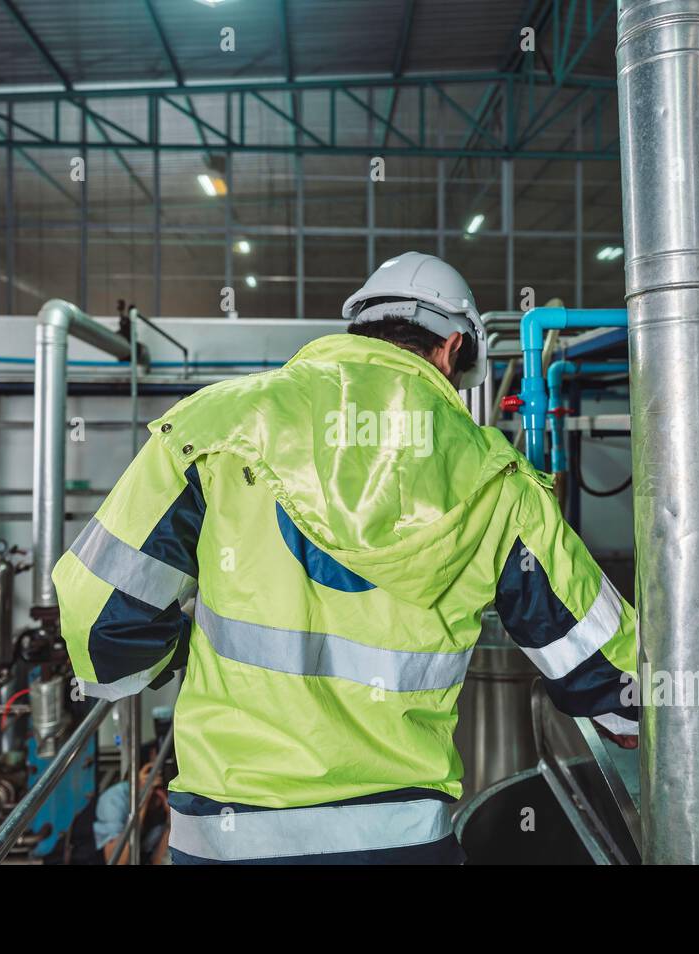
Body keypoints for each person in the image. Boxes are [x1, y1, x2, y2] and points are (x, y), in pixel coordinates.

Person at [52, 251, 638, 864]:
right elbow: (615, 683)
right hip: (399, 838)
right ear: (451, 347)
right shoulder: (496, 477)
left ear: (358, 329)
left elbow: (102, 624)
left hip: (229, 834)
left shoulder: (216, 425)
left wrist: (172, 656)